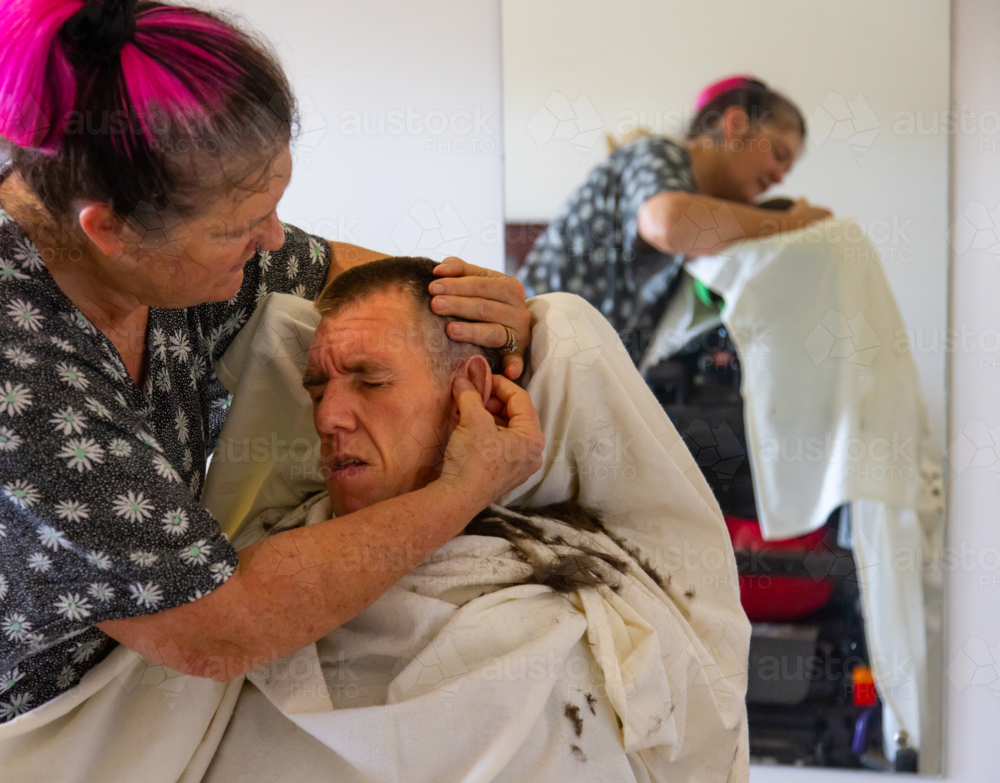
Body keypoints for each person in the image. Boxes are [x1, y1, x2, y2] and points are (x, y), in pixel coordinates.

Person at [0, 0, 539, 723]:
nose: (275, 239)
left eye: (373, 378)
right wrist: (466, 487)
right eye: (243, 227)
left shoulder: (166, 248)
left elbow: (328, 264)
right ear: (111, 231)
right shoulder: (24, 373)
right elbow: (221, 628)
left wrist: (469, 300)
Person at [189, 257, 749, 782]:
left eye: (370, 381)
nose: (328, 417)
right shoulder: (245, 565)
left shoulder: (551, 633)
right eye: (316, 391)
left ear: (472, 391)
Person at [517, 75, 833, 364]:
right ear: (736, 125)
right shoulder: (657, 153)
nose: (779, 178)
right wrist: (793, 222)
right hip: (527, 353)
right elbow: (668, 223)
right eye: (779, 154)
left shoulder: (687, 195)